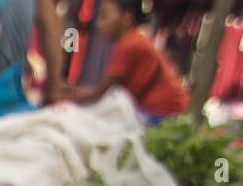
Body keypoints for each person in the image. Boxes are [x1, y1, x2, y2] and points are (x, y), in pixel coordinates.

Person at [59, 0, 189, 121]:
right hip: (167, 112)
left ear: (126, 17)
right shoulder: (133, 40)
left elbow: (99, 94)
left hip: (164, 115)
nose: (99, 24)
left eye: (105, 17)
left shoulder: (130, 44)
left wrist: (60, 94)